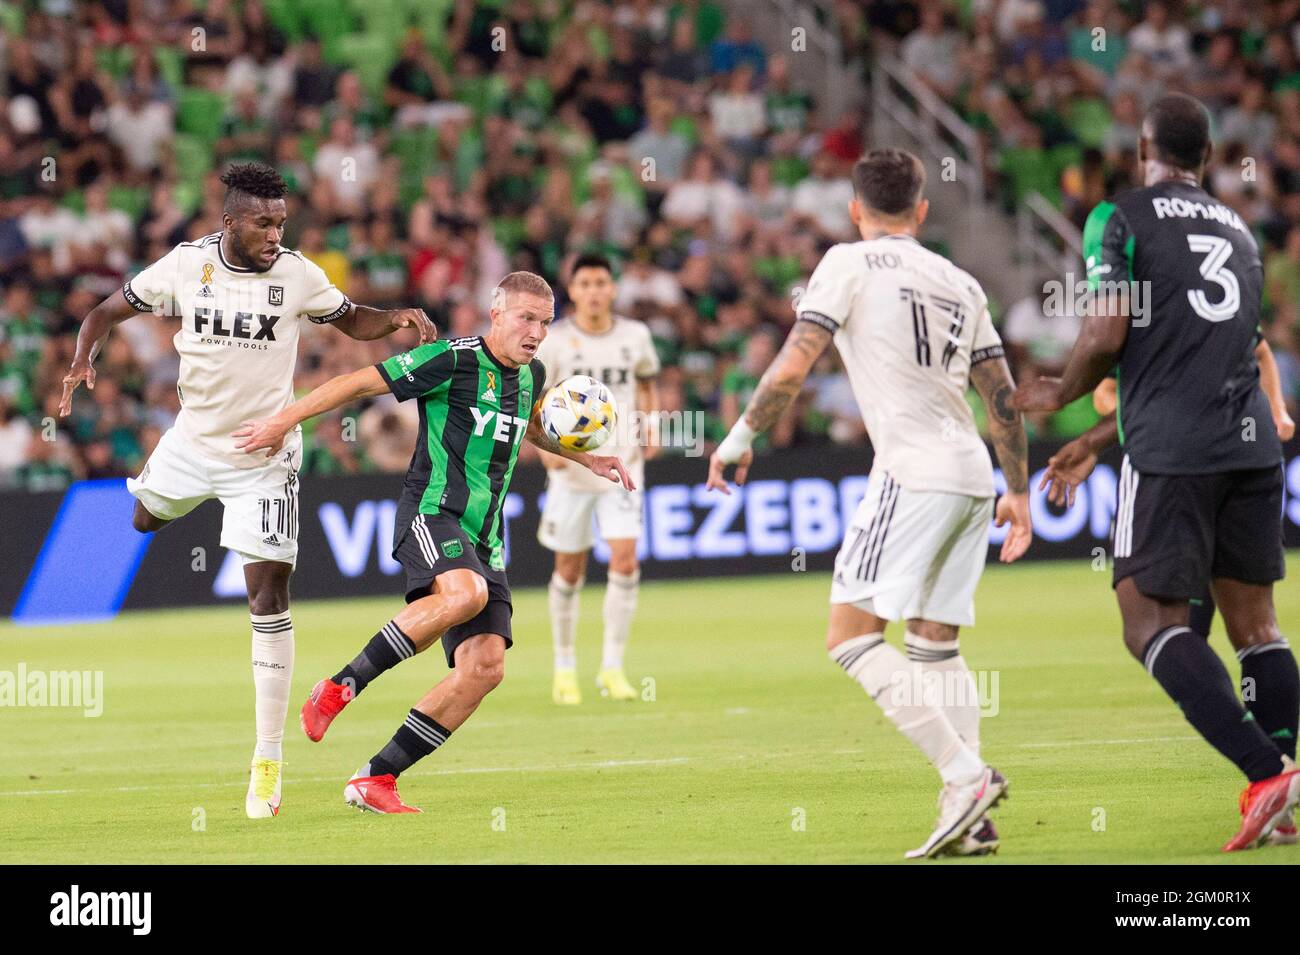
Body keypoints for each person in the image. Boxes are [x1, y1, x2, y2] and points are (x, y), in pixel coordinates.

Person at [57, 162, 436, 819]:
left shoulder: (297, 274)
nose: (275, 234)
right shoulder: (186, 265)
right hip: (191, 440)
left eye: (281, 223)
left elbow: (352, 320)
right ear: (230, 221)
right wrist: (80, 358)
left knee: (267, 596)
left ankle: (267, 760)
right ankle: (182, 501)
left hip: (264, 454)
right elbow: (104, 310)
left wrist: (396, 316)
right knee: (143, 518)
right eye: (263, 223)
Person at [708, 148, 1033, 858]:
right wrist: (1017, 489)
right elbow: (1003, 397)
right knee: (935, 640)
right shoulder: (961, 281)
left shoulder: (846, 263)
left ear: (856, 209)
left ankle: (966, 776)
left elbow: (795, 361)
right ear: (922, 210)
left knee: (851, 636)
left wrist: (739, 435)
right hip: (972, 473)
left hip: (912, 471)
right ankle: (970, 812)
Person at [1013, 93, 1299, 851]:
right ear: (1205, 156)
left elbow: (1107, 332)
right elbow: (1223, 354)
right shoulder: (1238, 228)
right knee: (1257, 626)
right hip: (1251, 447)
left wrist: (1061, 392)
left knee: (1149, 625)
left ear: (1143, 150)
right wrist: (1099, 435)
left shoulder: (1119, 217)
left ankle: (1267, 773)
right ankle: (1281, 794)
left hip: (1174, 456)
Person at [232, 272, 634, 813]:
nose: (537, 332)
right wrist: (283, 421)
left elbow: (528, 425)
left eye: (545, 321)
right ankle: (340, 686)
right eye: (526, 318)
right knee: (465, 594)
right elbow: (358, 384)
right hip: (432, 512)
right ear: (496, 314)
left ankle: (376, 777)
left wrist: (589, 458)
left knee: (485, 669)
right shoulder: (452, 359)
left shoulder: (531, 376)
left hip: (484, 537)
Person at [535, 254, 661, 704]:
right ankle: (564, 667)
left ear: (613, 289)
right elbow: (535, 398)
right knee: (570, 570)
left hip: (622, 467)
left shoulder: (635, 336)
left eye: (601, 282)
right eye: (585, 283)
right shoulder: (554, 341)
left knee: (625, 561)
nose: (593, 291)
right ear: (572, 291)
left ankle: (612, 667)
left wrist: (651, 424)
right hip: (572, 471)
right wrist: (546, 453)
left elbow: (646, 382)